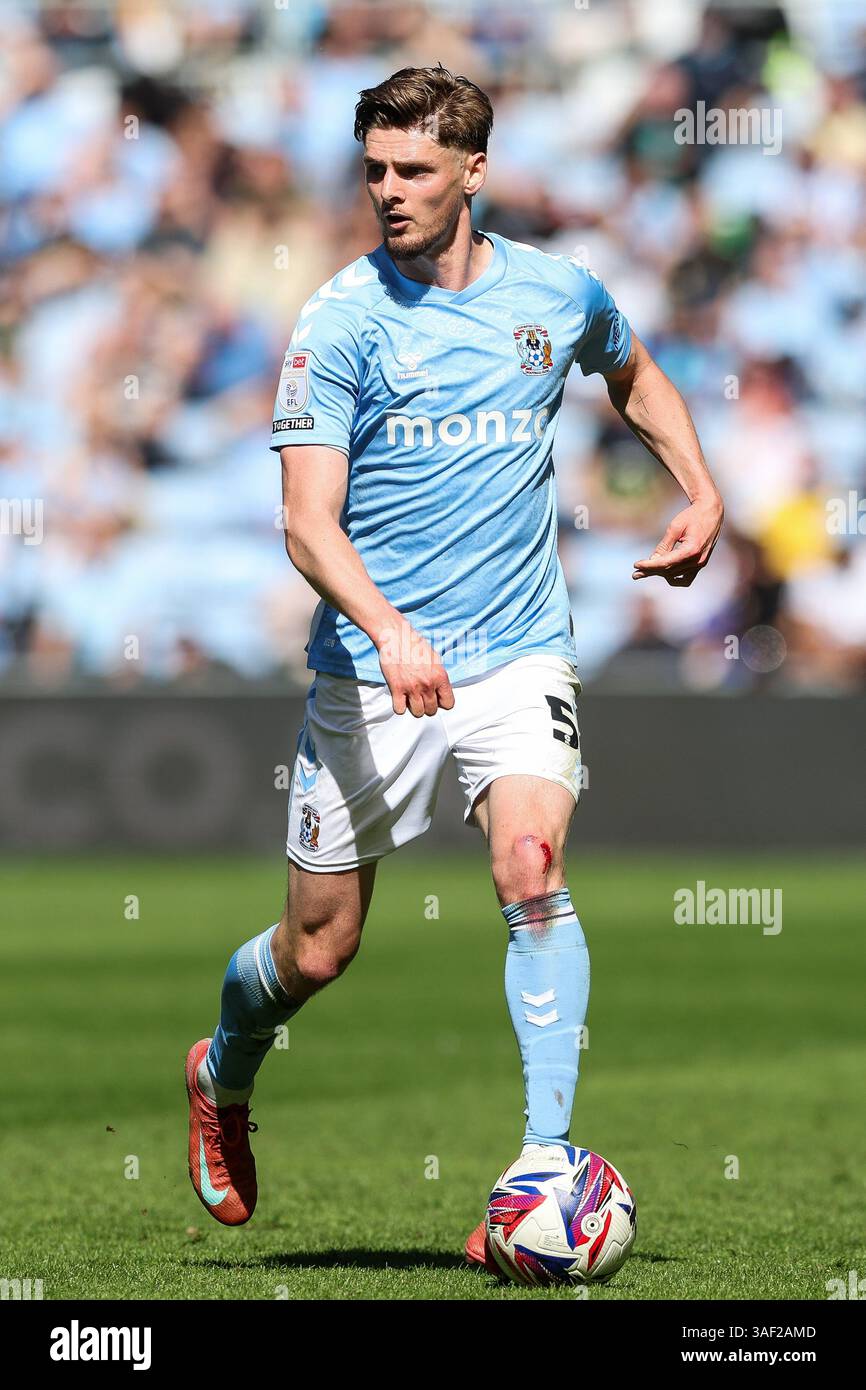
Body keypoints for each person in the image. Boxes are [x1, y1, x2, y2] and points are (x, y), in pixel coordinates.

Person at [184, 65, 724, 1265]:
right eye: (373, 168)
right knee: (318, 948)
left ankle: (541, 1161)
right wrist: (386, 629)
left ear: (472, 171)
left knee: (530, 862)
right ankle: (222, 1068)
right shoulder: (339, 322)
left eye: (413, 169)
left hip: (516, 652)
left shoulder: (556, 291)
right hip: (371, 671)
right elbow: (305, 524)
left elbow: (629, 371)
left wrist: (700, 488)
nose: (387, 190)